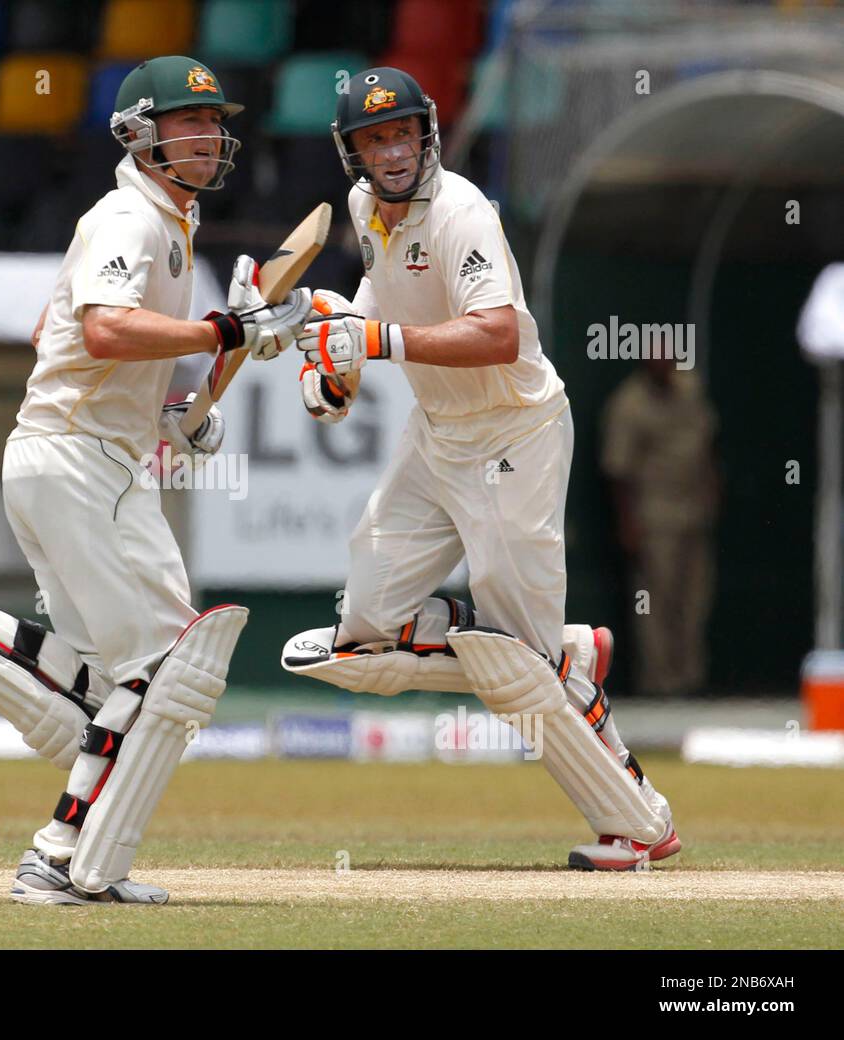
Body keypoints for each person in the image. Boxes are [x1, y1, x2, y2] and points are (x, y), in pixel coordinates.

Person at [0, 56, 310, 903]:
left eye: (216, 120)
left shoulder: (162, 222)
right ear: (138, 133)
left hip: (80, 459)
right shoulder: (131, 216)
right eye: (189, 119)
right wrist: (222, 327)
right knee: (170, 673)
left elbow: (48, 332)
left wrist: (185, 408)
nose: (209, 134)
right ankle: (57, 855)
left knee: (102, 697)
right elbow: (99, 330)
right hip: (78, 464)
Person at [281, 68, 680, 871]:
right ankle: (558, 653)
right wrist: (339, 349)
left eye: (402, 134)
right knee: (359, 633)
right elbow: (380, 286)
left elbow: (497, 332)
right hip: (437, 435)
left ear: (426, 133)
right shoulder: (366, 209)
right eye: (374, 138)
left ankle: (640, 824)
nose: (392, 152)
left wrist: (377, 342)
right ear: (351, 150)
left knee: (523, 679)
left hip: (513, 435)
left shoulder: (463, 211)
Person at [602, 356, 719, 696]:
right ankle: (661, 684)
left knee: (694, 599)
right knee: (655, 602)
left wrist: (713, 492)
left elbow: (708, 444)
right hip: (654, 518)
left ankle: (691, 679)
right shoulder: (629, 405)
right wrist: (628, 523)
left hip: (694, 512)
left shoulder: (689, 387)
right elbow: (617, 472)